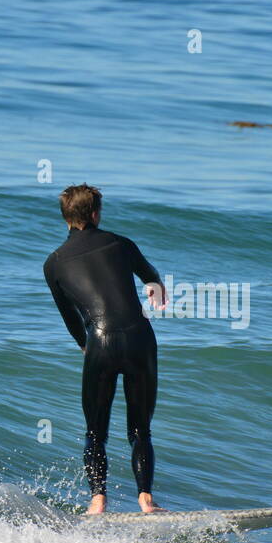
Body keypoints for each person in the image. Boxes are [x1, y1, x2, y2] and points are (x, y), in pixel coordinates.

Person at [43, 184, 168, 514]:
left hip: (100, 342)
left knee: (95, 432)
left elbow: (69, 316)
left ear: (65, 217)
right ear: (96, 213)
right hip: (140, 338)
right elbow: (151, 278)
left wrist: (87, 346)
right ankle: (146, 499)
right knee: (141, 429)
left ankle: (98, 499)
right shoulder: (120, 243)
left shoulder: (53, 264)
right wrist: (157, 289)